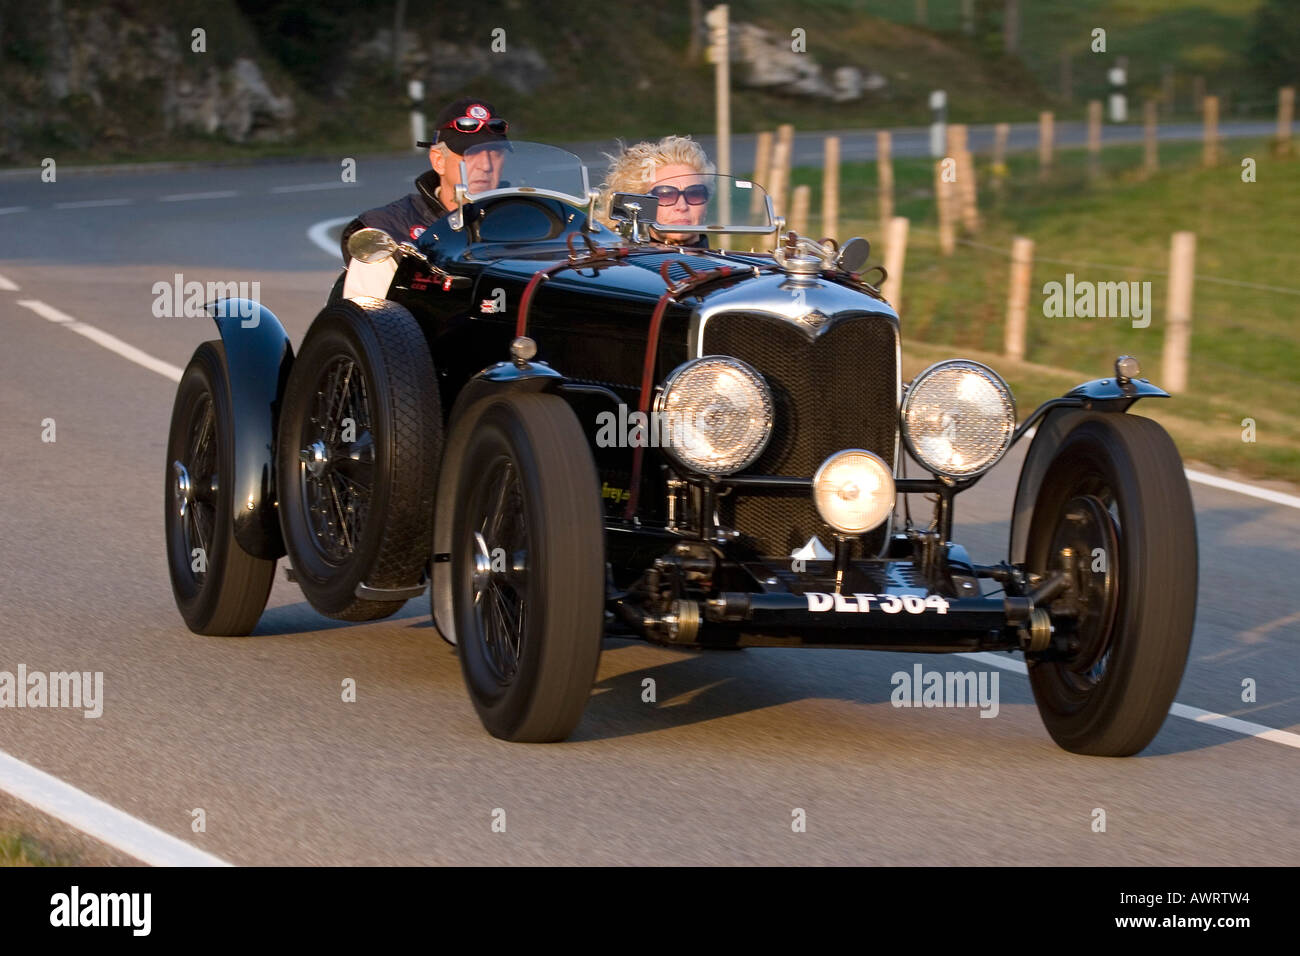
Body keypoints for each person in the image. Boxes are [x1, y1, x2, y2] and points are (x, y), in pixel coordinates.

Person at [338, 97, 509, 299]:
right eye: (471, 155)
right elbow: (369, 323)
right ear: (438, 161)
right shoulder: (389, 231)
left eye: (495, 153)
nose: (486, 166)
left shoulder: (528, 220)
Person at [599, 135, 714, 247]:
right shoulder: (616, 262)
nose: (682, 207)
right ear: (638, 203)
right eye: (666, 195)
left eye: (694, 194)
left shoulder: (727, 263)